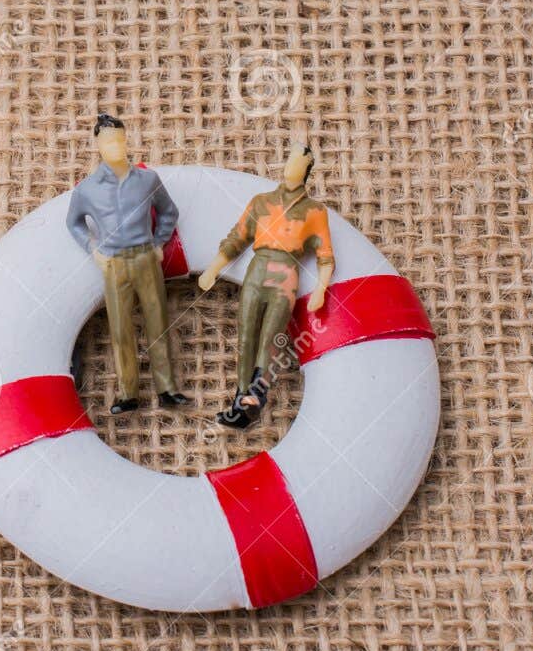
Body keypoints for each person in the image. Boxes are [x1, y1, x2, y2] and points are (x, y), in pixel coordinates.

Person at [197, 144, 333, 428]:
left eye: (298, 162)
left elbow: (325, 256)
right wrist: (213, 269)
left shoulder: (315, 211)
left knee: (272, 336)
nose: (291, 167)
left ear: (307, 170)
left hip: (286, 273)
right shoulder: (261, 201)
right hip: (257, 270)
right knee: (246, 333)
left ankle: (257, 395)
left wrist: (321, 289)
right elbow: (237, 238)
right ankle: (240, 401)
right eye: (290, 160)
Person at [65, 115, 189, 413]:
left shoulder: (147, 180)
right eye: (108, 141)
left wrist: (159, 242)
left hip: (145, 257)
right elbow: (74, 223)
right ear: (98, 145)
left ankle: (167, 388)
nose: (115, 146)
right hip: (114, 263)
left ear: (126, 140)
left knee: (157, 322)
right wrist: (93, 250)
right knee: (120, 329)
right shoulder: (87, 189)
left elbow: (169, 211)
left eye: (119, 140)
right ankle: (128, 393)